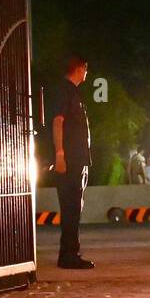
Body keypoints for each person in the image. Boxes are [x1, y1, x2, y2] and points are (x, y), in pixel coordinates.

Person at [52, 54, 94, 270]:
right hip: (69, 162)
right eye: (86, 68)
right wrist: (60, 155)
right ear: (79, 68)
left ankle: (70, 252)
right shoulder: (65, 91)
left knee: (75, 208)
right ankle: (68, 255)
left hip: (78, 161)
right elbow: (57, 122)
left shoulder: (73, 92)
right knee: (70, 208)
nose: (87, 72)